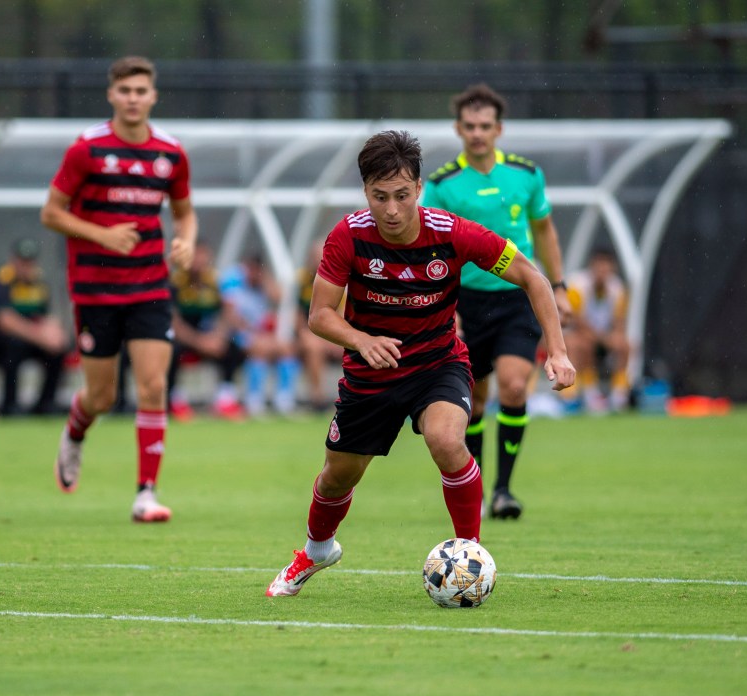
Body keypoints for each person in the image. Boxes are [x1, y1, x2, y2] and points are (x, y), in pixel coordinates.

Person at [265, 130, 574, 598]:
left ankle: (470, 557)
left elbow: (532, 277)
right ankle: (317, 548)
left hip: (438, 363)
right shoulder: (347, 236)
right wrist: (361, 340)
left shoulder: (453, 233)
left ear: (420, 188)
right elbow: (319, 316)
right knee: (337, 476)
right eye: (379, 196)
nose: (391, 209)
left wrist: (558, 351)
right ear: (366, 191)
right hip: (370, 375)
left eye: (402, 196)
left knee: (447, 438)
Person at [41, 55, 197, 522]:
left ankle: (145, 493)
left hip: (150, 284)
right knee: (101, 397)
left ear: (153, 96)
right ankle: (75, 431)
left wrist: (185, 242)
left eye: (140, 91)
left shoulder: (171, 152)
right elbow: (51, 212)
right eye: (124, 91)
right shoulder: (86, 149)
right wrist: (102, 235)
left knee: (153, 386)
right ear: (112, 94)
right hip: (94, 288)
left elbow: (185, 211)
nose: (133, 99)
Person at [423, 83, 572, 521]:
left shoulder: (526, 174)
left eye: (485, 126)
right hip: (465, 302)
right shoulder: (441, 184)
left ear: (499, 128)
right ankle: (480, 488)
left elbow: (544, 230)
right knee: (476, 397)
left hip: (514, 299)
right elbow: (433, 247)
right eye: (469, 126)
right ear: (458, 129)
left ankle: (504, 490)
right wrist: (445, 310)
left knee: (512, 385)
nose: (477, 133)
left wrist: (558, 285)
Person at [0, 237, 70, 417]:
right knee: (13, 348)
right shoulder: (1, 280)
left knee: (58, 349)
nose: (26, 265)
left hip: (27, 339)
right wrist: (41, 337)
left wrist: (54, 333)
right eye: (22, 261)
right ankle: (9, 405)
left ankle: (46, 403)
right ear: (13, 260)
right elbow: (5, 321)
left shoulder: (38, 282)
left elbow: (43, 315)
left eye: (30, 261)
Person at [167, 242, 244, 421]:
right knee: (170, 351)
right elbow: (174, 322)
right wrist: (199, 342)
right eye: (195, 256)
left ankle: (225, 398)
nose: (199, 262)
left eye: (203, 257)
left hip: (209, 337)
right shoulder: (175, 283)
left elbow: (227, 313)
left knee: (233, 348)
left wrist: (217, 336)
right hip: (185, 340)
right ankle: (175, 399)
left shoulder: (215, 282)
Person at [219, 252, 299, 416]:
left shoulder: (263, 283)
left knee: (287, 348)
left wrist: (266, 280)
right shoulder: (233, 280)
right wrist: (253, 333)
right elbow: (231, 317)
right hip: (237, 334)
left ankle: (284, 399)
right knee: (260, 348)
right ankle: (254, 398)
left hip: (260, 335)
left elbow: (281, 298)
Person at [566, 247, 631, 413]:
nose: (603, 272)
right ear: (592, 267)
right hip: (576, 336)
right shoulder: (577, 285)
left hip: (602, 337)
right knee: (582, 343)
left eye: (606, 268)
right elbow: (578, 323)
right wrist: (604, 339)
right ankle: (588, 394)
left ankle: (619, 395)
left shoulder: (617, 288)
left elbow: (619, 322)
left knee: (625, 345)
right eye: (599, 268)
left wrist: (615, 337)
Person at [296, 239, 344, 412]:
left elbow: (342, 313)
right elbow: (296, 315)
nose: (319, 260)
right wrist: (305, 334)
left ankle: (358, 397)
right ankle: (317, 397)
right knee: (313, 347)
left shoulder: (339, 278)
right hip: (307, 335)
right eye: (316, 257)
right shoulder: (301, 281)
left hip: (330, 334)